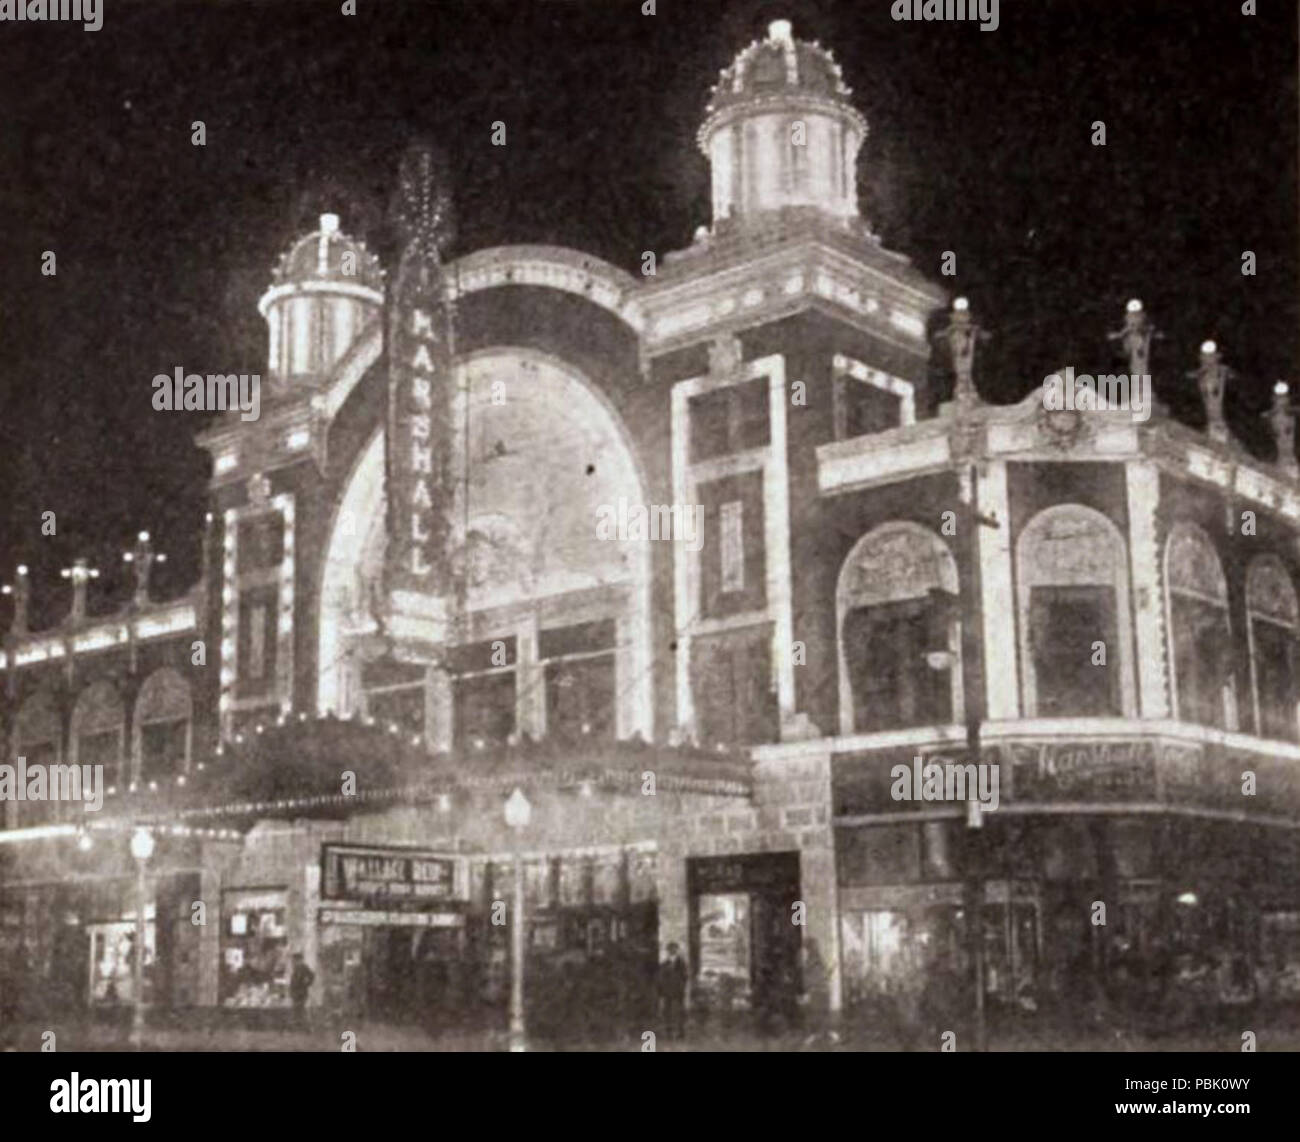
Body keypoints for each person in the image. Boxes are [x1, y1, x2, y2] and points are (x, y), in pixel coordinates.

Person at [657, 942, 687, 1041]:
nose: (672, 951)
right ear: (668, 951)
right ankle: (668, 1032)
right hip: (667, 992)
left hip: (678, 991)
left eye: (674, 949)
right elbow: (660, 979)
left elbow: (685, 977)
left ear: (677, 950)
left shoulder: (682, 964)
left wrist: (681, 987)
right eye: (670, 949)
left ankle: (680, 1032)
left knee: (679, 1011)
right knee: (667, 1012)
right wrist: (661, 991)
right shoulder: (664, 964)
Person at [290, 953, 315, 1031]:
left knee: (301, 1009)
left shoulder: (304, 967)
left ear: (299, 960)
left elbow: (312, 976)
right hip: (296, 992)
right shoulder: (296, 968)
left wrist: (307, 983)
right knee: (297, 1009)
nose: (293, 962)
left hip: (301, 992)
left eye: (295, 960)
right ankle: (299, 1027)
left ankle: (308, 1027)